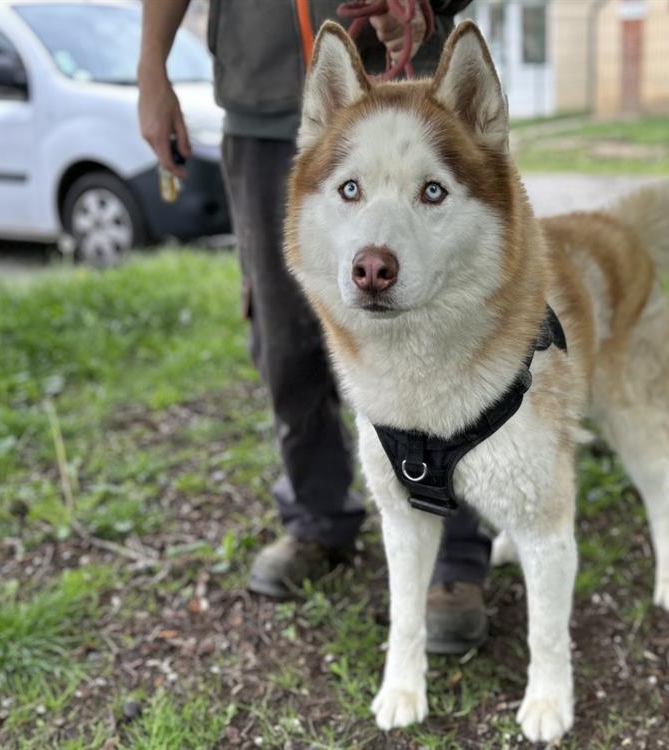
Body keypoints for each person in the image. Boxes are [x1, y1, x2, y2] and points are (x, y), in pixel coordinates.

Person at [137, 0, 488, 654]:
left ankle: (453, 556)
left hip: (409, 80)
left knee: (440, 328)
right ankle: (317, 516)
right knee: (285, 333)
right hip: (266, 100)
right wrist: (150, 69)